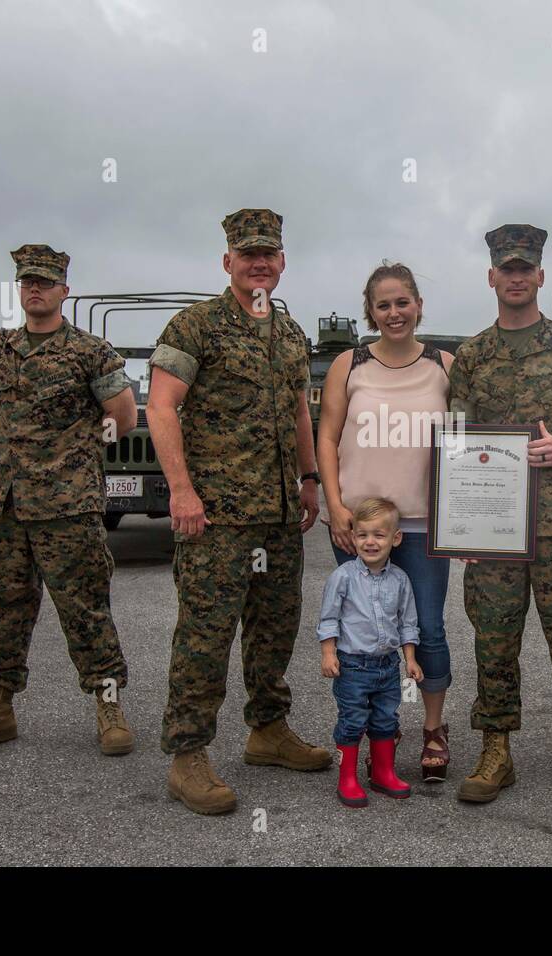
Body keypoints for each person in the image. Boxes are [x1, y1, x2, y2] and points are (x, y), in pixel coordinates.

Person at [0, 244, 138, 757]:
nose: (34, 288)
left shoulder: (89, 351)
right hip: (3, 506)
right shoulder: (0, 344)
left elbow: (122, 417)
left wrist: (76, 452)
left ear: (64, 290)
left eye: (45, 281)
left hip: (67, 507)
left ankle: (108, 707)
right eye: (26, 281)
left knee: (84, 609)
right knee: (2, 609)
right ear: (19, 290)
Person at [148, 208, 329, 817]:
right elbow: (160, 406)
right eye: (247, 253)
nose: (258, 262)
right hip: (217, 517)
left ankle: (268, 731)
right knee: (205, 635)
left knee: (275, 628)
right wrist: (181, 490)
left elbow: (302, 411)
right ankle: (188, 755)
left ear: (281, 263)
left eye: (268, 254)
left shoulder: (288, 331)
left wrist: (308, 479)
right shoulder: (196, 325)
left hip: (278, 515)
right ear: (227, 261)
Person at [447, 223, 552, 807]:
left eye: (526, 268)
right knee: (494, 640)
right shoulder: (471, 356)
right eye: (507, 268)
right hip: (494, 526)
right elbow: (457, 435)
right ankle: (496, 749)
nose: (516, 277)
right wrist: (459, 522)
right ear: (491, 277)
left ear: (540, 276)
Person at [317, 261, 453, 781]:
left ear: (418, 305)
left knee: (429, 630)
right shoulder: (348, 365)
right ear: (369, 313)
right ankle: (378, 729)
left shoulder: (445, 364)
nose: (394, 313)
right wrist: (335, 504)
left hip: (422, 525)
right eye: (383, 305)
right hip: (361, 525)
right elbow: (327, 435)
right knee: (365, 634)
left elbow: (471, 439)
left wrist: (470, 520)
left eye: (403, 302)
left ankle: (434, 729)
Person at [318, 498, 424, 807]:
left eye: (379, 535)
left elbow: (408, 623)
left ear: (396, 538)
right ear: (353, 538)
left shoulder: (401, 580)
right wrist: (329, 653)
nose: (370, 542)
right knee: (352, 720)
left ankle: (382, 773)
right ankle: (347, 778)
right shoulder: (343, 578)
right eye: (362, 534)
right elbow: (329, 619)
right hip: (352, 666)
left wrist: (410, 659)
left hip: (388, 667)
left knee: (386, 720)